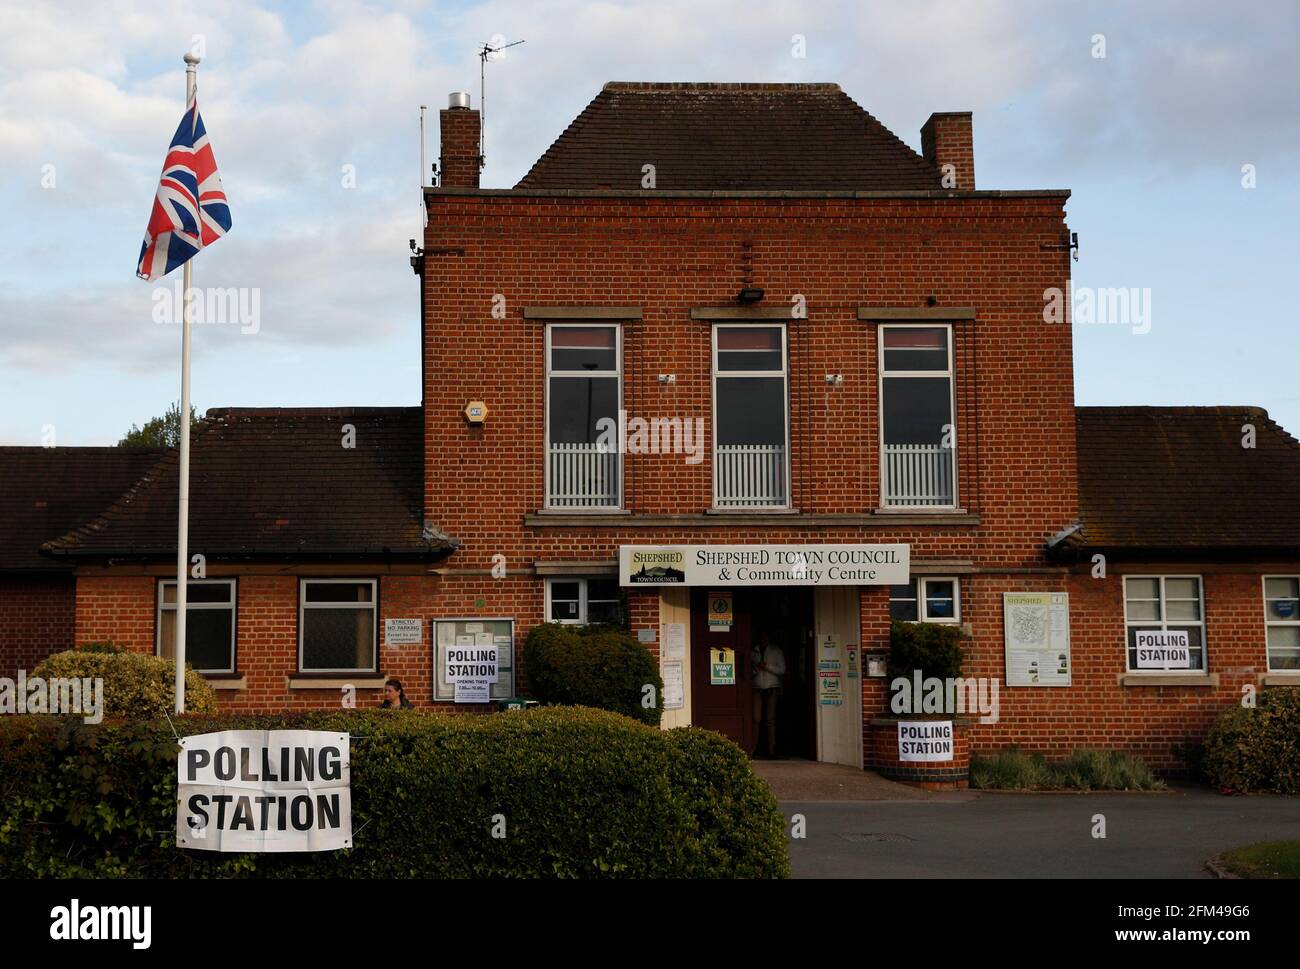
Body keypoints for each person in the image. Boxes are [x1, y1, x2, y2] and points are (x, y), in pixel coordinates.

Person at [751, 630, 786, 757]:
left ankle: (772, 750)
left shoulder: (776, 651)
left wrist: (767, 667)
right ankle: (752, 749)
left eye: (765, 637)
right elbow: (747, 670)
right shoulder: (753, 652)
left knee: (770, 720)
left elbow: (782, 670)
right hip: (757, 688)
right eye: (761, 637)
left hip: (772, 688)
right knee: (756, 719)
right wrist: (756, 669)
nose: (763, 639)